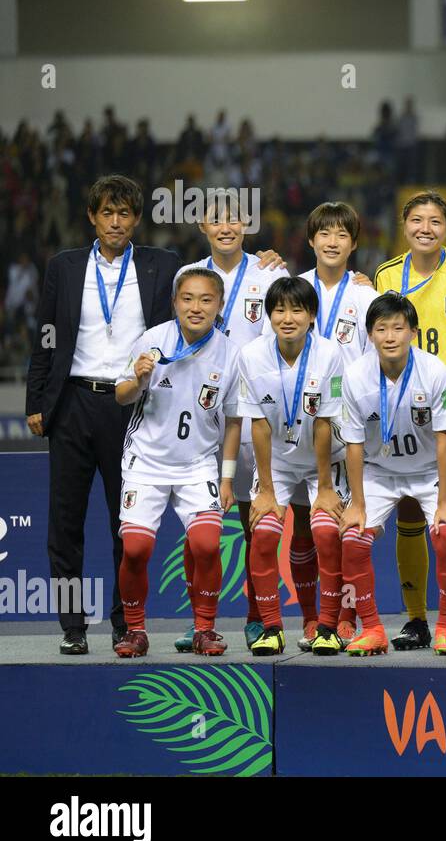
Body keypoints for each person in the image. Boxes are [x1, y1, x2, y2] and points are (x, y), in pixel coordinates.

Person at [27, 175, 182, 654]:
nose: (116, 222)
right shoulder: (65, 266)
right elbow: (46, 333)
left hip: (131, 406)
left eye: (125, 213)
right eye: (107, 213)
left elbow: (208, 284)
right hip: (72, 403)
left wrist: (263, 260)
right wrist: (36, 400)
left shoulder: (162, 265)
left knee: (127, 523)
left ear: (137, 219)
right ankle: (72, 628)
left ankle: (124, 622)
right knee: (65, 525)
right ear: (92, 217)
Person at [373, 191, 446, 650]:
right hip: (403, 414)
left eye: (435, 221)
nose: (426, 228)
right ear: (404, 225)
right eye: (417, 220)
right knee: (408, 513)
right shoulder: (386, 275)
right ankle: (417, 620)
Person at [112, 267, 241, 657]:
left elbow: (234, 421)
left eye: (205, 300)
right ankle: (135, 630)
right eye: (187, 298)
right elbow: (121, 395)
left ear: (219, 305)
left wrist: (227, 478)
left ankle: (204, 629)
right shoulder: (153, 340)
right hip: (146, 463)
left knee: (207, 544)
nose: (196, 307)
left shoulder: (230, 353)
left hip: (197, 465)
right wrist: (138, 380)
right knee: (135, 549)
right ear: (174, 302)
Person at [179, 202, 290, 652]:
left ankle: (256, 617)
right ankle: (198, 622)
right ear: (202, 225)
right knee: (198, 526)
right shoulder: (188, 275)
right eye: (216, 219)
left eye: (234, 218)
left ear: (246, 224)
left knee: (254, 522)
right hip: (205, 414)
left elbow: (285, 331)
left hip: (255, 414)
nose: (226, 226)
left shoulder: (270, 273)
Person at [338, 292, 446, 656]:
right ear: (370, 334)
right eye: (381, 329)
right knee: (352, 539)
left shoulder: (434, 370)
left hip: (429, 471)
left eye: (398, 328)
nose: (390, 336)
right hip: (379, 471)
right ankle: (372, 629)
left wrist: (445, 501)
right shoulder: (355, 375)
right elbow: (353, 445)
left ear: (413, 331)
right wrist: (357, 504)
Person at [237, 277, 348, 656]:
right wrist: (267, 489)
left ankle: (327, 626)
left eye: (297, 310)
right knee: (264, 534)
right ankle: (271, 627)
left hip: (324, 459)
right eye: (279, 310)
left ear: (312, 316)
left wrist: (325, 487)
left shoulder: (330, 353)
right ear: (268, 315)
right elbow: (258, 424)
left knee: (326, 533)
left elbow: (325, 422)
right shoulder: (251, 355)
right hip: (277, 463)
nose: (288, 318)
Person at [289, 201, 379, 649]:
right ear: (311, 240)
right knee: (302, 527)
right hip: (296, 422)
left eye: (342, 234)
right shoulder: (291, 290)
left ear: (354, 244)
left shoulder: (365, 297)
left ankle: (344, 618)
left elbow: (375, 360)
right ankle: (310, 618)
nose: (332, 241)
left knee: (338, 529)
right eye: (324, 233)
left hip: (345, 427)